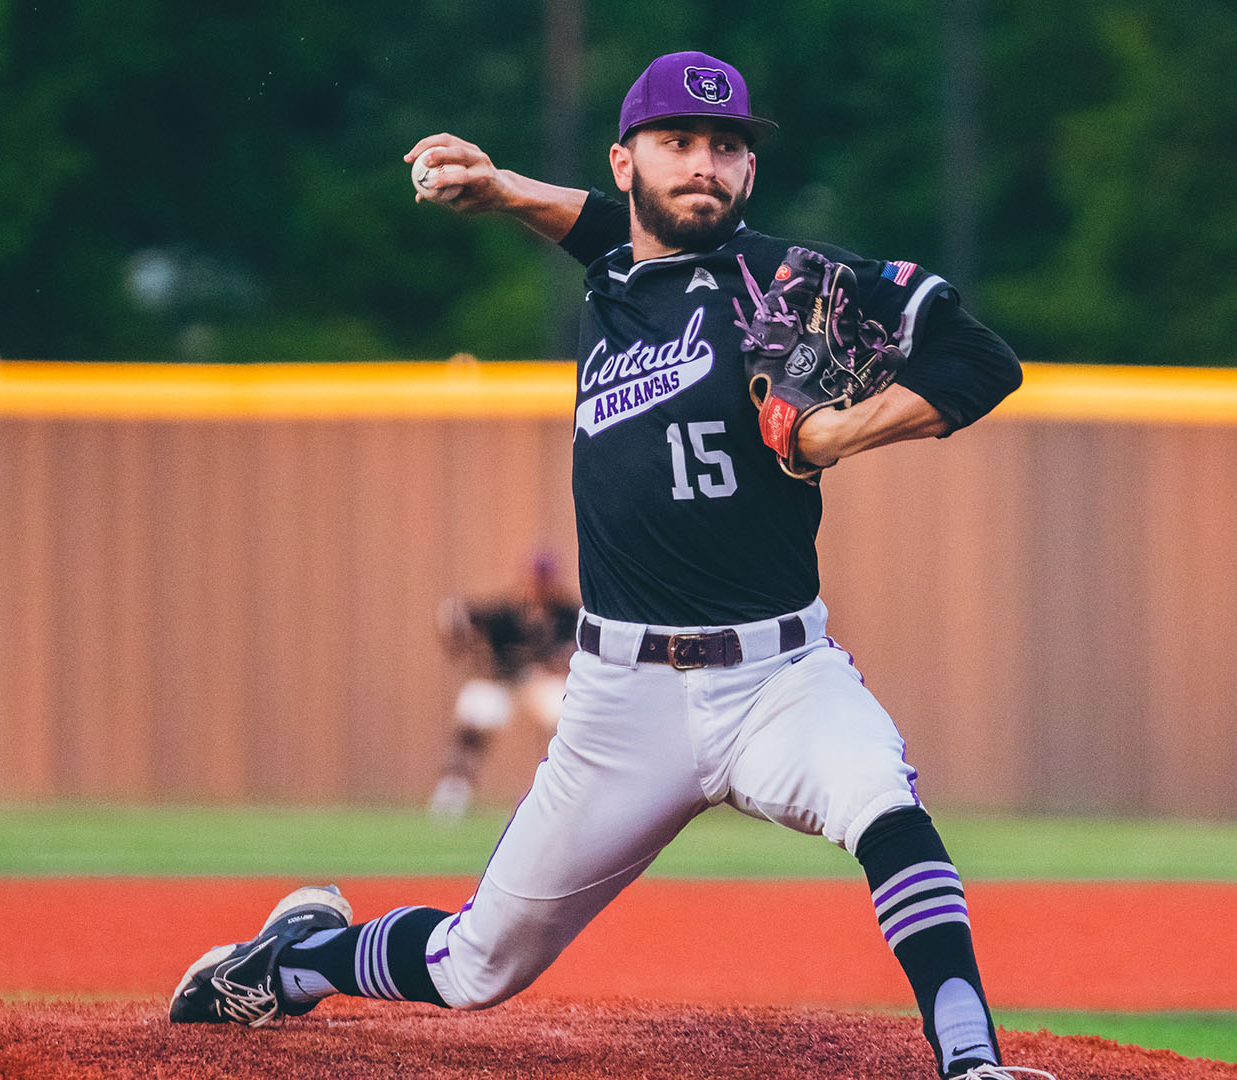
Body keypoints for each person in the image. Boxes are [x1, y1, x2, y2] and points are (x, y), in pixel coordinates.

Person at [171, 50, 1043, 1080]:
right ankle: (297, 963)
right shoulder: (615, 276)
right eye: (678, 143)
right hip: (621, 697)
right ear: (625, 161)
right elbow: (598, 228)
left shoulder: (792, 279)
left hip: (781, 679)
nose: (706, 166)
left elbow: (982, 361)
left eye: (727, 147)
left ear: (750, 173)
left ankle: (972, 1061)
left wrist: (835, 435)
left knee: (888, 811)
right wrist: (499, 192)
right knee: (474, 966)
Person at [428, 554, 580, 820]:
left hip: (538, 681)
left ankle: (569, 791)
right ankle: (453, 792)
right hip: (502, 680)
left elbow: (578, 648)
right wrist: (454, 624)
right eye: (535, 580)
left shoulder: (568, 614)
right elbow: (459, 617)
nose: (538, 587)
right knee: (476, 714)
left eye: (544, 581)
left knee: (569, 717)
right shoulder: (506, 611)